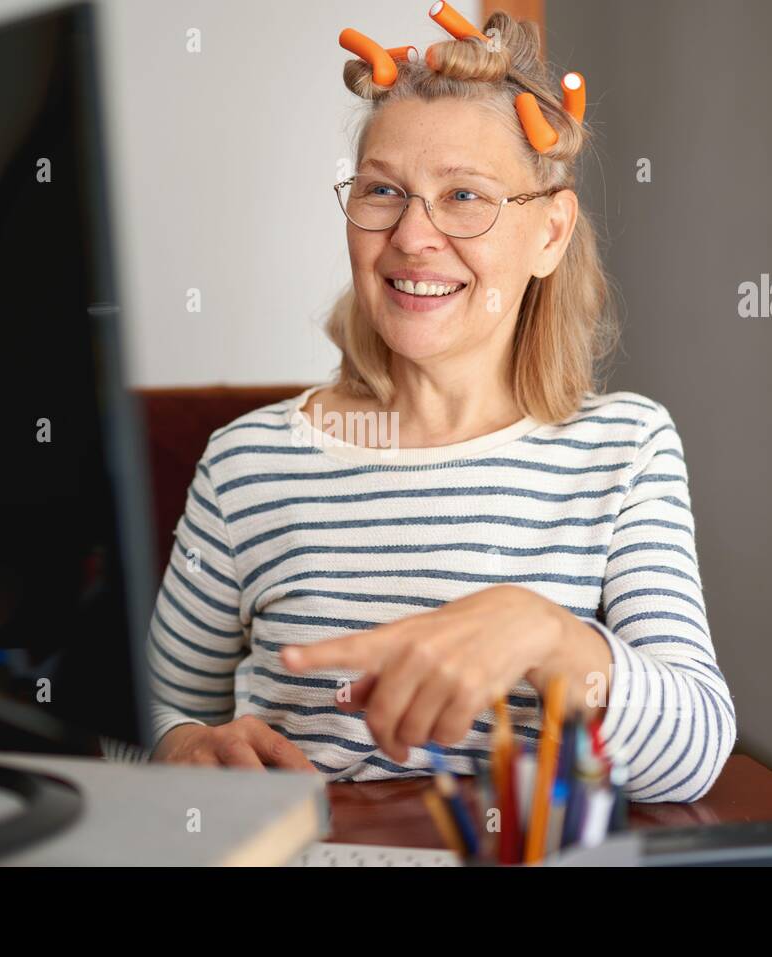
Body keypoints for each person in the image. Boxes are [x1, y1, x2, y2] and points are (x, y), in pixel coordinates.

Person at [148, 6, 734, 802]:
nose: (413, 236)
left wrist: (543, 631)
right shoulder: (248, 461)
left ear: (551, 234)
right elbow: (156, 707)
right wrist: (179, 743)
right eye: (383, 189)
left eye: (464, 195)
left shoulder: (624, 449)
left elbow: (694, 749)